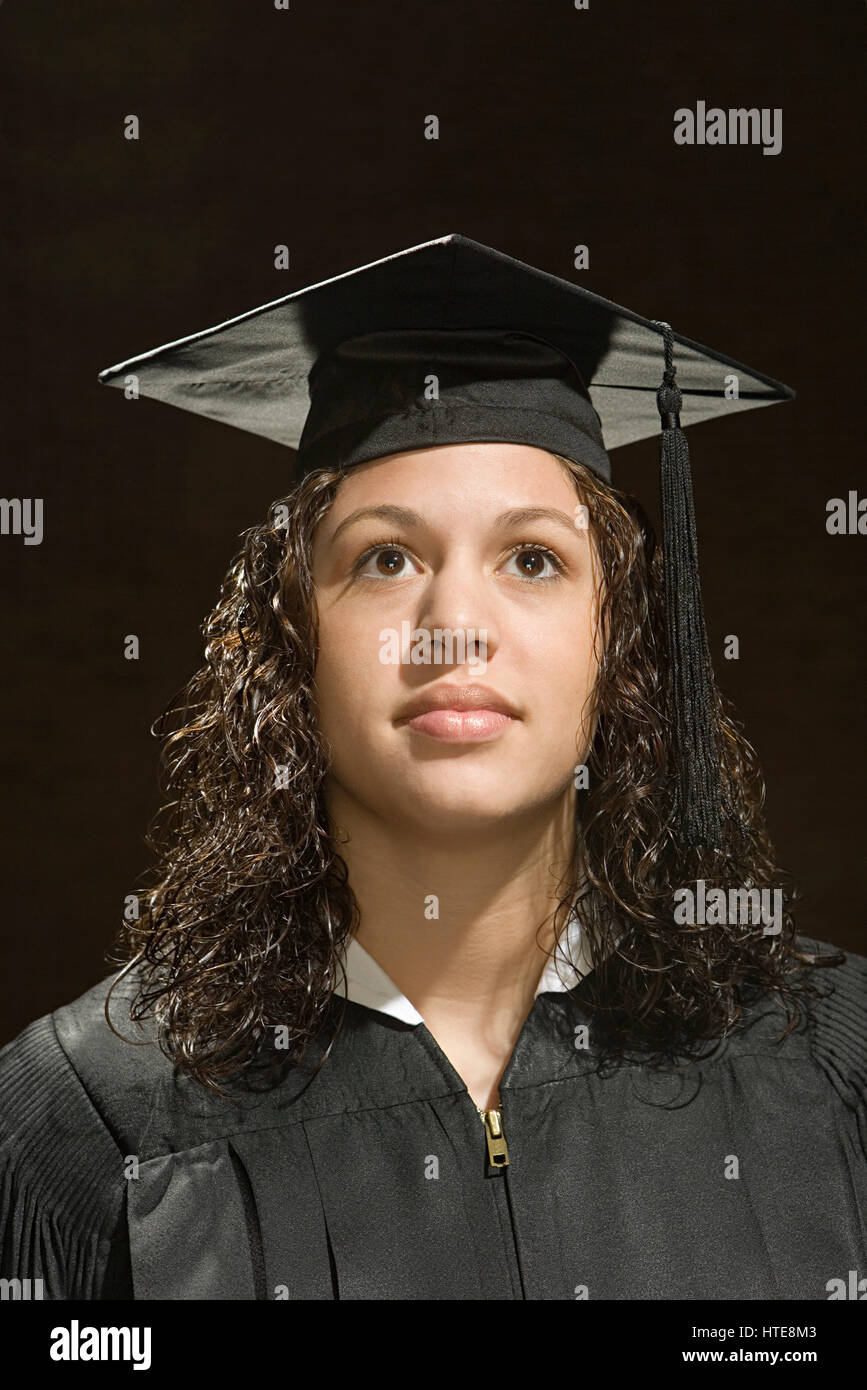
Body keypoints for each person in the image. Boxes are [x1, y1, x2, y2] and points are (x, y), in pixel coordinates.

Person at [1, 235, 865, 1301]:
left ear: (623, 636)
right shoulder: (93, 1115)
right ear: (290, 642)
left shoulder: (822, 1062)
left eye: (534, 559)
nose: (454, 628)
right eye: (385, 558)